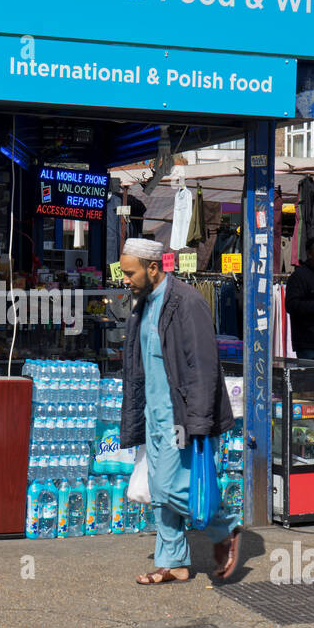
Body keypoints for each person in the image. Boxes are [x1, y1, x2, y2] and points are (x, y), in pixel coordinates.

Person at [117, 237, 239, 585]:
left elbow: (203, 366)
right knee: (158, 494)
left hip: (179, 418)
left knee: (170, 487)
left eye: (129, 273)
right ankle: (173, 563)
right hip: (153, 415)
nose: (124, 279)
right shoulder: (143, 304)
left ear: (152, 268)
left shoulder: (187, 303)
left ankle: (227, 528)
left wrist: (199, 422)